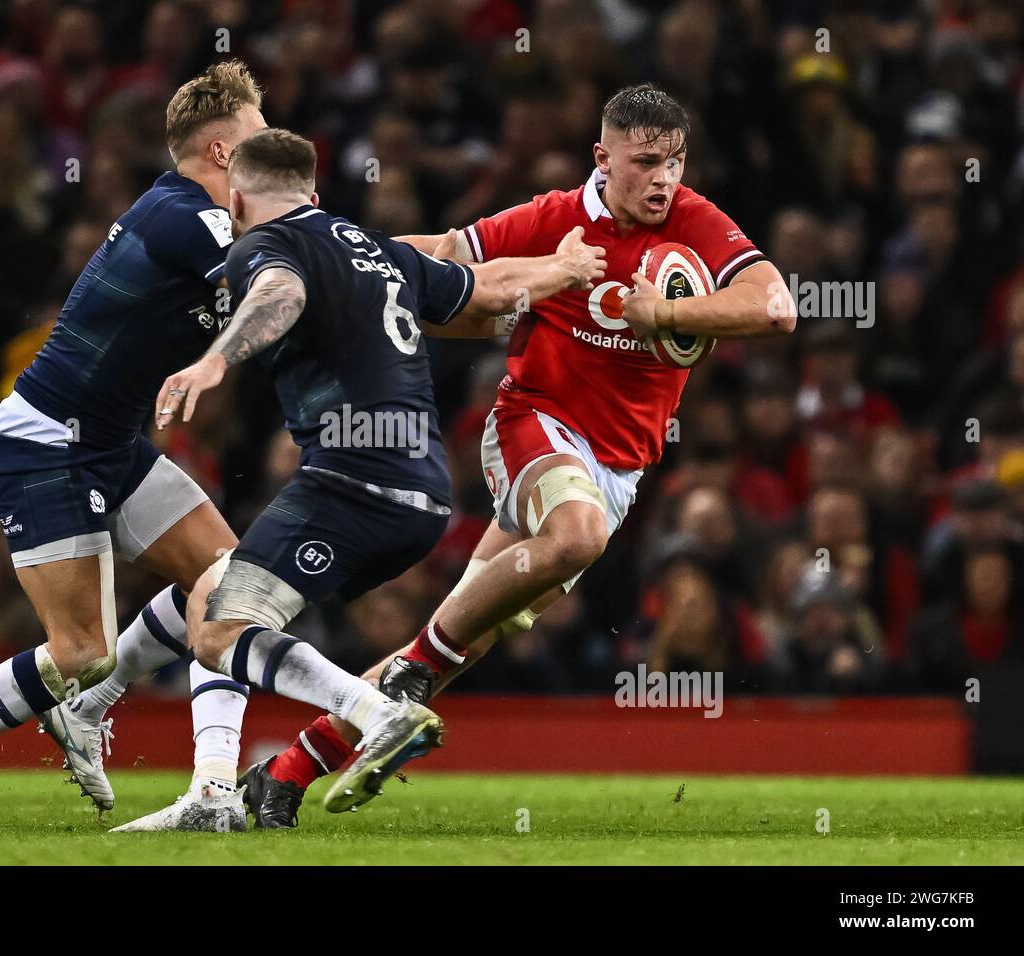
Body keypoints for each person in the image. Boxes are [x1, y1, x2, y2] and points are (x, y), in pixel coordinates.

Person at [232, 84, 797, 828]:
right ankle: (405, 673)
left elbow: (775, 307)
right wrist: (340, 263)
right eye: (647, 161)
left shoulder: (695, 219)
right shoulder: (552, 220)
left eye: (675, 162)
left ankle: (284, 774)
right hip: (535, 425)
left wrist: (666, 312)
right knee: (576, 537)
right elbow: (443, 257)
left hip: (617, 468)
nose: (664, 179)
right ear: (605, 157)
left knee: (456, 641)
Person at [109, 127, 607, 830]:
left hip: (350, 483)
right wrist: (563, 266)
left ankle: (376, 714)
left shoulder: (264, 248)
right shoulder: (379, 248)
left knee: (219, 629)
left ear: (239, 199)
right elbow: (491, 288)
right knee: (215, 595)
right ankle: (213, 795)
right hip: (423, 500)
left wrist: (215, 361)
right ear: (315, 193)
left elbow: (278, 294)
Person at [0, 61, 268, 831]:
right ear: (221, 152)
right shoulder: (188, 219)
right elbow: (282, 281)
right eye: (255, 136)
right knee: (82, 651)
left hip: (109, 442)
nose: (268, 150)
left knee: (229, 582)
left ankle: (159, 757)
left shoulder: (193, 215)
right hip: (45, 445)